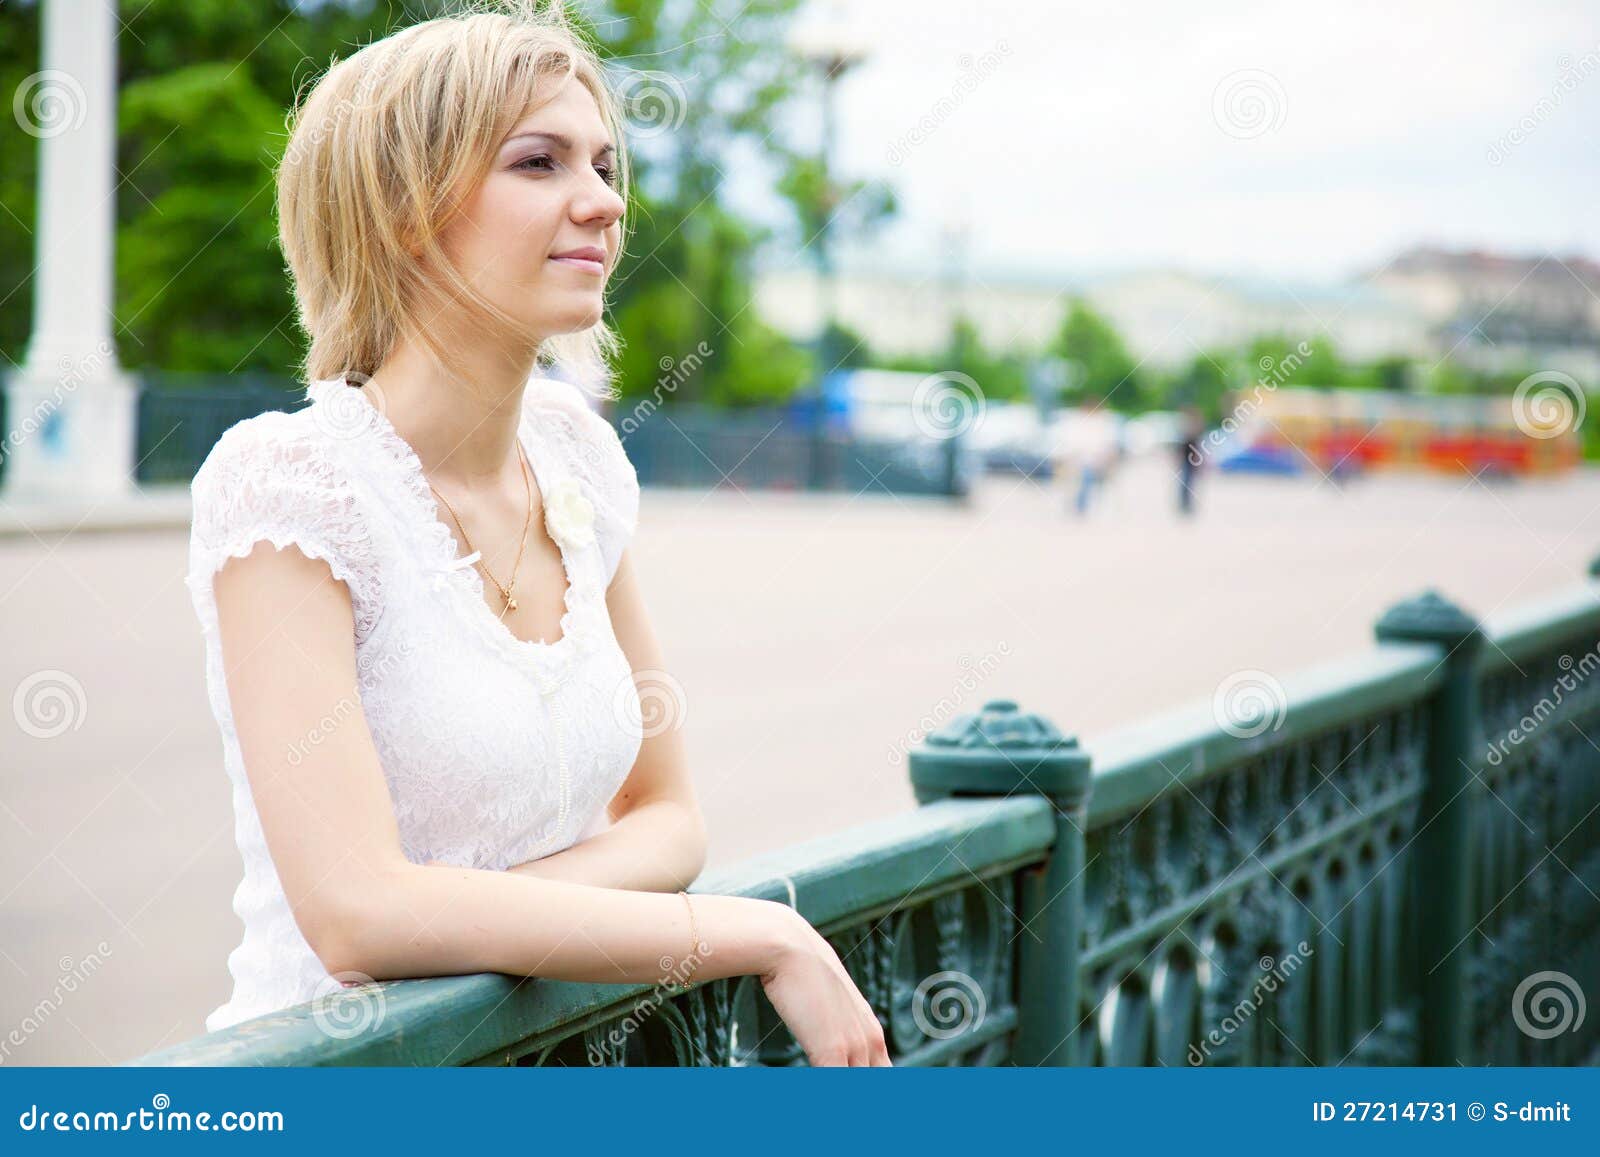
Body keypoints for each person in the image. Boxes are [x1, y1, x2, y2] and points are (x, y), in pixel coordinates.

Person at [186, 1, 887, 1067]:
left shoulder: (577, 459)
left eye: (604, 165)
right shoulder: (290, 485)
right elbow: (355, 918)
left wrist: (460, 913)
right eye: (539, 163)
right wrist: (757, 930)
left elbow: (669, 816)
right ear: (401, 208)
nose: (602, 203)